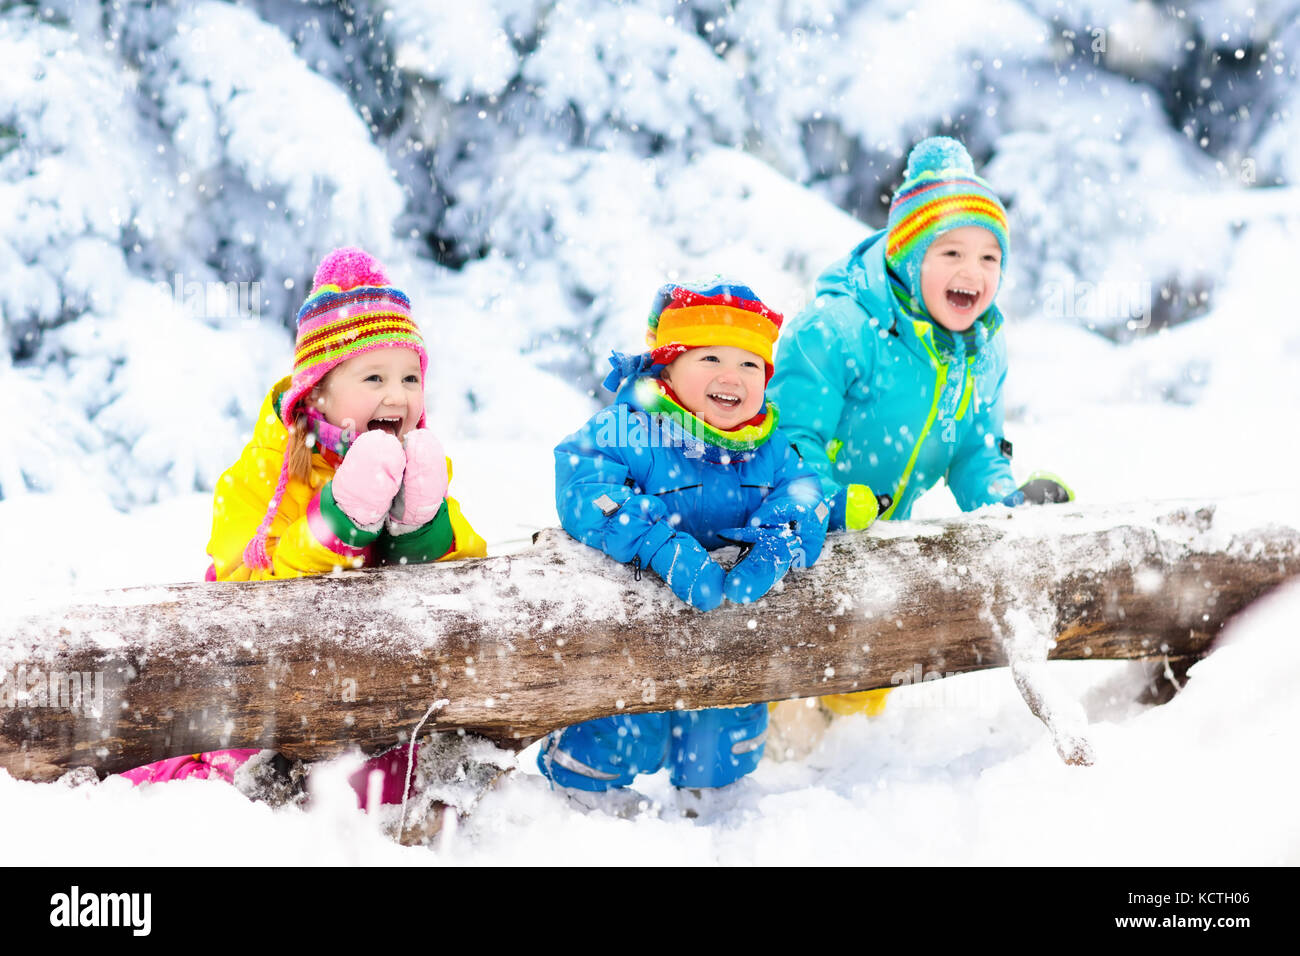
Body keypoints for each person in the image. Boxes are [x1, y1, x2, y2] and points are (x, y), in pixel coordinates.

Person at [121, 247, 486, 799]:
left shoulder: (417, 464)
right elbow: (243, 592)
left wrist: (423, 530)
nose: (399, 395)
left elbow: (469, 580)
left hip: (364, 680)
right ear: (318, 389)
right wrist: (337, 521)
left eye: (411, 377)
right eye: (374, 378)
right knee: (237, 776)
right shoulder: (266, 470)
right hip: (259, 679)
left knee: (385, 775)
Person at [768, 136, 1071, 725]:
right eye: (951, 252)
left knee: (856, 704)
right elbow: (788, 438)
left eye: (990, 258)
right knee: (788, 716)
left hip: (880, 551)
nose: (973, 272)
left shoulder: (982, 348)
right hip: (793, 547)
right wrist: (827, 502)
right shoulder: (836, 329)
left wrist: (1005, 505)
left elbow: (973, 453)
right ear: (910, 257)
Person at [537, 279, 829, 794]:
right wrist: (656, 542)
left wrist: (779, 536)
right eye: (711, 359)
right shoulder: (631, 428)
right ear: (667, 367)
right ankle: (578, 807)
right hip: (631, 634)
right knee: (620, 728)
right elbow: (585, 484)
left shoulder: (771, 446)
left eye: (749, 364)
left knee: (721, 747)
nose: (731, 377)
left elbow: (807, 490)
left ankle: (715, 818)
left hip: (731, 639)